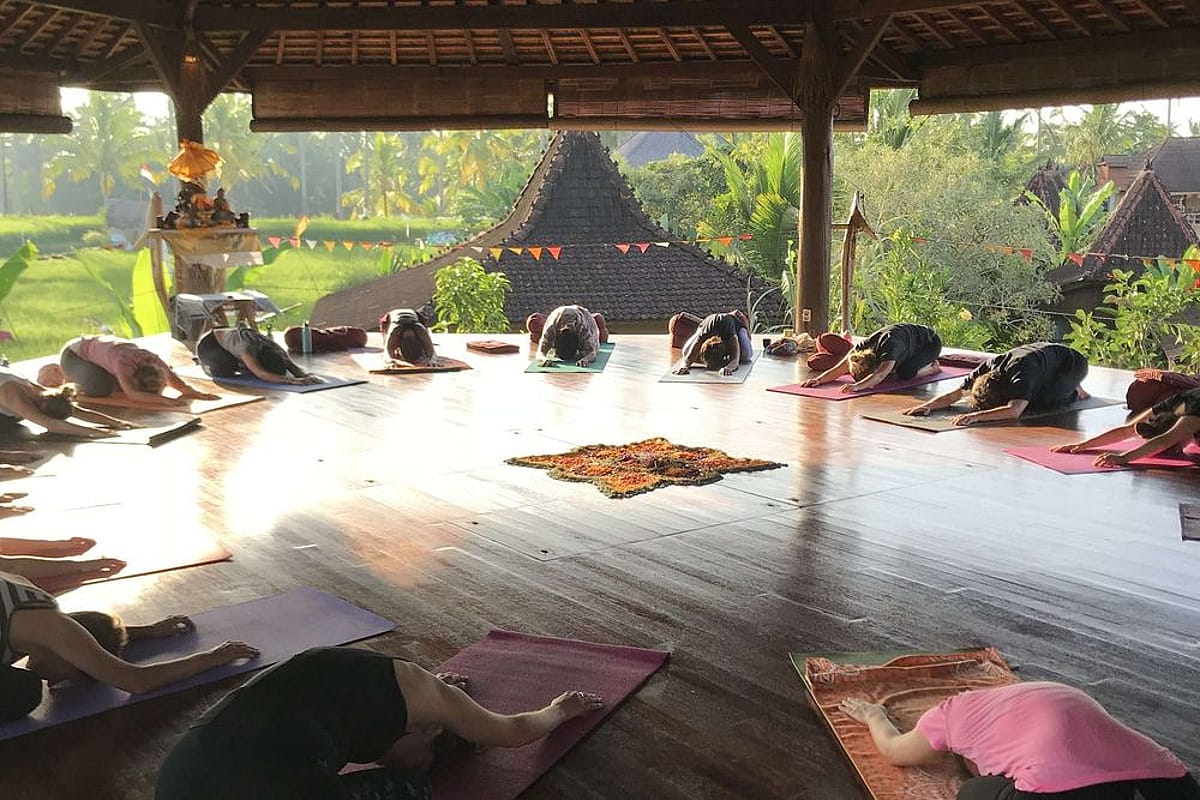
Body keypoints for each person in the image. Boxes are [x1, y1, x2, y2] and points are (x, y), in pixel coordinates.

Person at [156, 645, 604, 799]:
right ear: (427, 730)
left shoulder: (368, 677)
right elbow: (512, 732)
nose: (403, 763)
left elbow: (367, 690)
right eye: (421, 758)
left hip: (177, 778)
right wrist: (562, 708)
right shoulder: (433, 698)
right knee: (412, 791)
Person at [839, 681, 1199, 800]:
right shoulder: (1049, 691)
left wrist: (875, 714)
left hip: (1052, 790)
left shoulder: (946, 713)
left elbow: (893, 751)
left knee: (970, 792)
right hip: (1136, 778)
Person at [0, 569, 259, 721]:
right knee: (23, 691)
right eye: (68, 676)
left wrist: (148, 631)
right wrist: (211, 658)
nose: (51, 682)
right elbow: (136, 681)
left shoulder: (31, 603)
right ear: (70, 655)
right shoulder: (48, 628)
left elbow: (78, 634)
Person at [903, 342, 1088, 427]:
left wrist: (976, 416)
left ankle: (1075, 389)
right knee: (1030, 393)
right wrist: (928, 406)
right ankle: (1069, 385)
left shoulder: (1021, 375)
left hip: (1073, 364)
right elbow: (955, 395)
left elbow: (1014, 411)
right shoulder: (986, 369)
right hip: (1047, 360)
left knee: (1037, 404)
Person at [44, 336, 220, 407]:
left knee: (117, 386)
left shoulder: (153, 359)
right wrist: (166, 401)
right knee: (101, 388)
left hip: (98, 351)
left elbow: (176, 382)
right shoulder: (123, 363)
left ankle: (80, 373)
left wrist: (197, 394)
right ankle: (59, 373)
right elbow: (133, 394)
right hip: (73, 355)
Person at [1051, 386, 1200, 468]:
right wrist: (1082, 445)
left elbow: (1165, 440)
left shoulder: (1194, 413)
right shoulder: (1173, 405)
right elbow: (1126, 431)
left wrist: (1123, 458)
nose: (1178, 450)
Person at [801, 323, 942, 393]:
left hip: (929, 344)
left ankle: (932, 368)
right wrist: (818, 380)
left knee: (905, 372)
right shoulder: (862, 349)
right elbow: (839, 368)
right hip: (907, 343)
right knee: (892, 372)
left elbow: (880, 375)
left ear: (876, 364)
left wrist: (857, 387)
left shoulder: (890, 348)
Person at [0, 368, 133, 439]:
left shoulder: (40, 392)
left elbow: (77, 411)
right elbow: (52, 425)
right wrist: (95, 432)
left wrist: (117, 423)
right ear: (41, 408)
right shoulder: (12, 395)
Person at [195, 326, 322, 386]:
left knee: (244, 363)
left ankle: (242, 363)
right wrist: (291, 381)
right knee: (225, 369)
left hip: (229, 340)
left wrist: (305, 376)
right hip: (210, 343)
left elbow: (290, 364)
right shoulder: (246, 348)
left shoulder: (271, 346)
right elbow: (262, 374)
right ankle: (201, 361)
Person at [672, 311, 753, 376]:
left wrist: (728, 368)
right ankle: (700, 321)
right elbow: (688, 358)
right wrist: (684, 367)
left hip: (735, 323)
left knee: (746, 356)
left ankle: (737, 316)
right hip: (705, 324)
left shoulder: (730, 334)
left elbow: (735, 359)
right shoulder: (704, 334)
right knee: (685, 352)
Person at [535, 304, 601, 367]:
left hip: (583, 314)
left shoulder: (583, 328)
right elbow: (540, 352)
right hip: (558, 313)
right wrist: (544, 359)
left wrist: (585, 359)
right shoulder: (551, 328)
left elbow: (592, 353)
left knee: (598, 322)